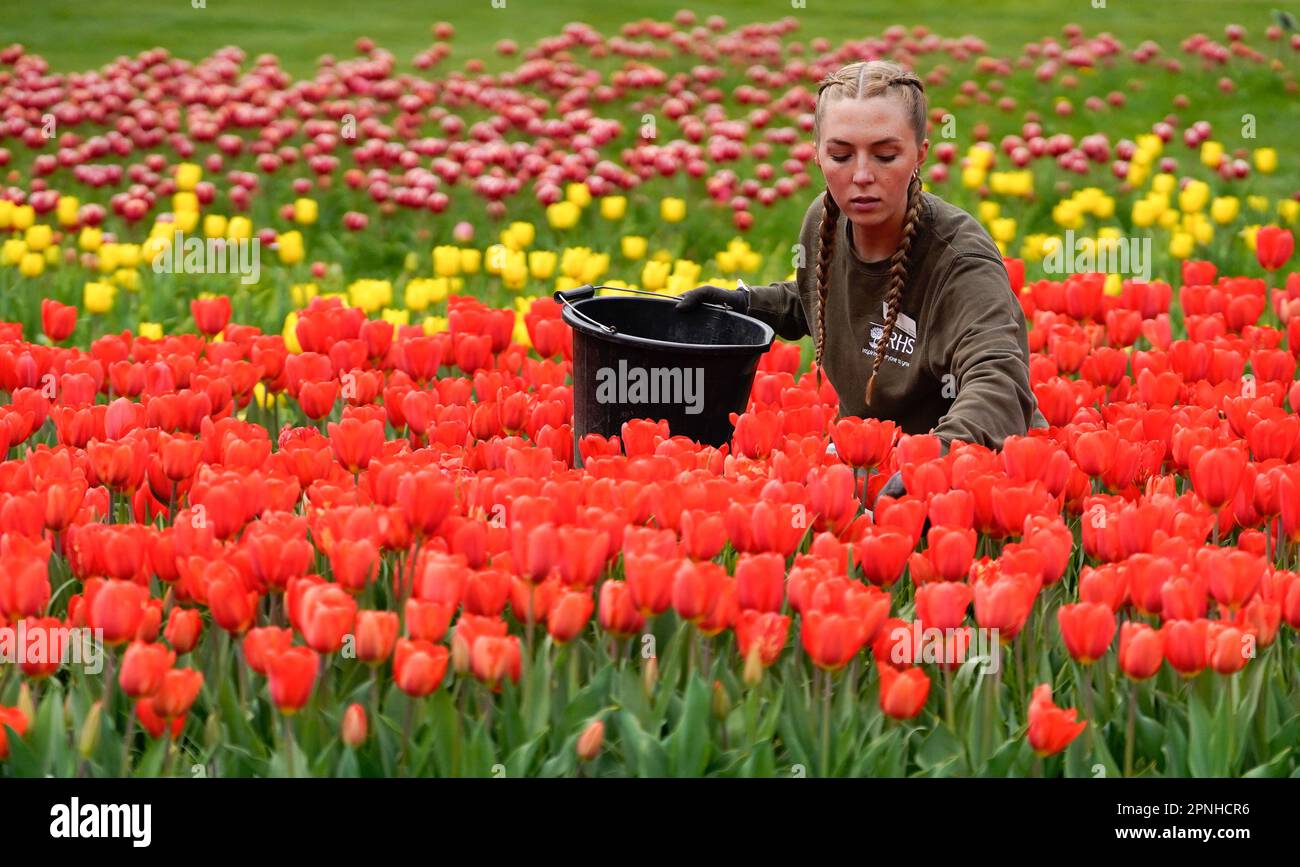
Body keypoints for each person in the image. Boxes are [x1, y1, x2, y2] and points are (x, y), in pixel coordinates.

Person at [677, 59, 1046, 500]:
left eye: (886, 155)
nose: (862, 176)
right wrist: (746, 305)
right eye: (841, 155)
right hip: (866, 463)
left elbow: (999, 377)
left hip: (971, 480)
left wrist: (937, 461)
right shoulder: (824, 222)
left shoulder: (959, 259)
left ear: (920, 154)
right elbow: (820, 297)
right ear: (817, 155)